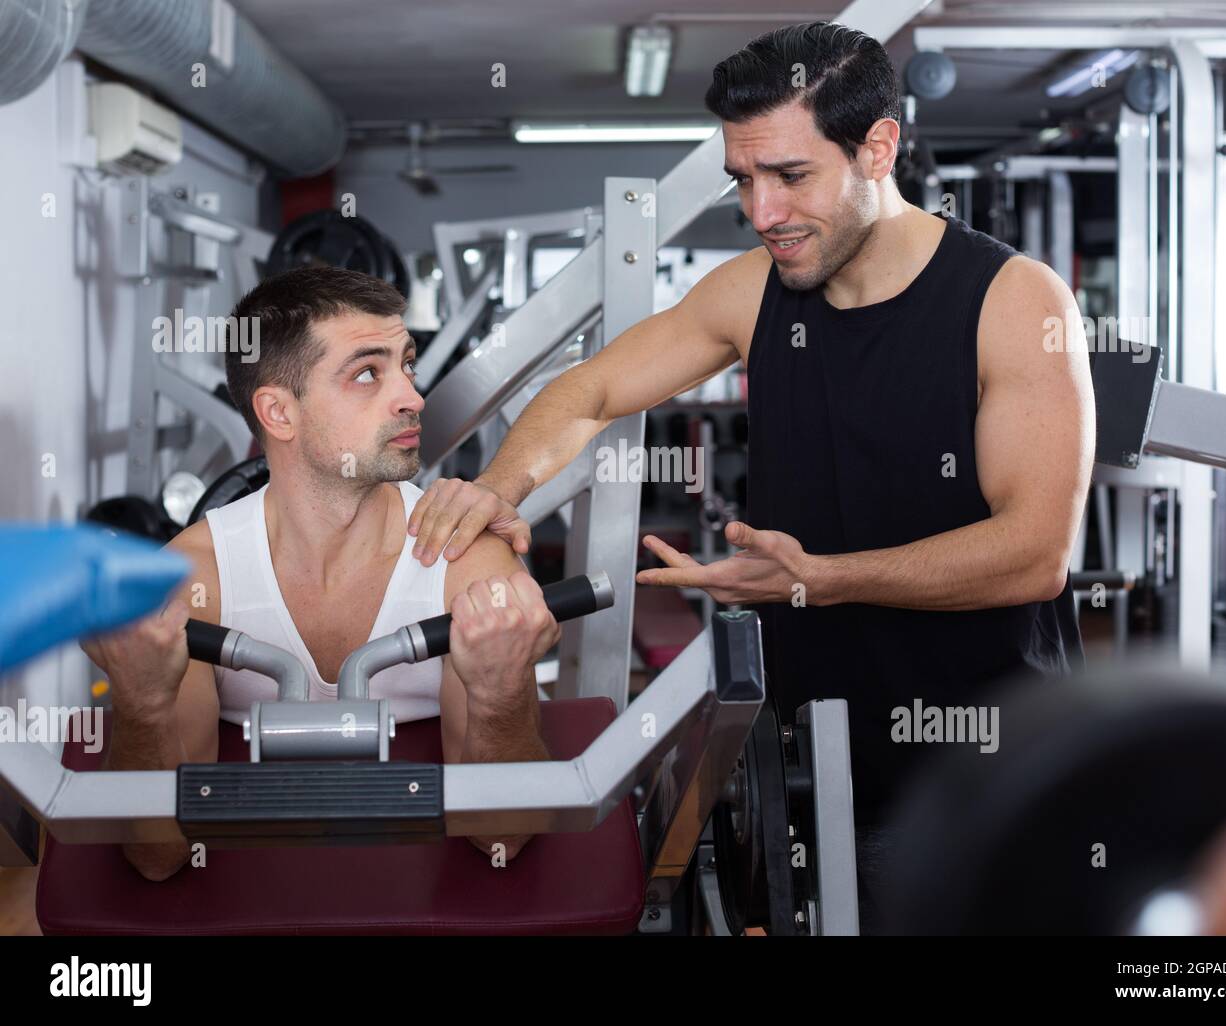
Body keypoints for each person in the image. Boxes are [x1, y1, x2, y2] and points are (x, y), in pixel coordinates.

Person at [407, 22, 1094, 931]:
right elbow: (588, 391)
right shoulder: (750, 294)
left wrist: (822, 578)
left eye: (791, 176)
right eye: (744, 180)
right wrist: (501, 487)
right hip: (823, 761)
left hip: (990, 771)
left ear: (877, 147)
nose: (762, 211)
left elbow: (1034, 553)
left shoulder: (1013, 301)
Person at [81, 266, 558, 881]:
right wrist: (141, 706)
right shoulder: (195, 579)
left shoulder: (464, 557)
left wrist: (501, 696)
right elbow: (158, 857)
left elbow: (503, 838)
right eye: (367, 373)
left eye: (406, 364)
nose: (413, 396)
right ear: (279, 413)